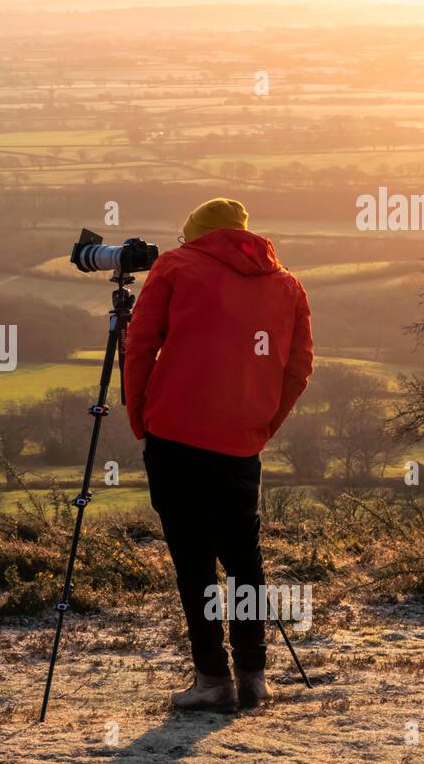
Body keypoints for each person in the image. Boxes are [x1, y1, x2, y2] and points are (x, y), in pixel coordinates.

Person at [124, 197, 313, 712]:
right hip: (241, 440)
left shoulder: (175, 266)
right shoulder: (287, 284)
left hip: (176, 434)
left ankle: (212, 680)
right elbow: (298, 368)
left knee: (193, 560)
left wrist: (140, 420)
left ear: (196, 234)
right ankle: (254, 677)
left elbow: (139, 347)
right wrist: (261, 425)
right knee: (244, 559)